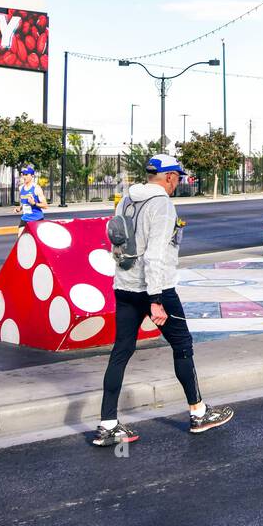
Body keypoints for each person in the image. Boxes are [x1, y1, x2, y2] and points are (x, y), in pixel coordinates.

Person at [93, 154, 234, 447]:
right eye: (178, 178)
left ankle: (107, 425)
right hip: (157, 290)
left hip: (125, 287)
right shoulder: (162, 205)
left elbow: (115, 242)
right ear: (169, 177)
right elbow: (155, 254)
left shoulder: (126, 201)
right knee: (182, 346)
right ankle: (198, 413)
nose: (178, 184)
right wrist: (156, 299)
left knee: (121, 350)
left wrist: (125, 280)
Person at [15, 165, 45, 230]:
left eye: (26, 174)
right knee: (20, 238)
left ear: (32, 176)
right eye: (23, 174)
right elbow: (23, 202)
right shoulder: (21, 188)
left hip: (36, 219)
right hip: (25, 218)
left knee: (34, 239)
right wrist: (19, 208)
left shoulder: (36, 188)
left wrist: (34, 203)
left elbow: (45, 206)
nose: (24, 176)